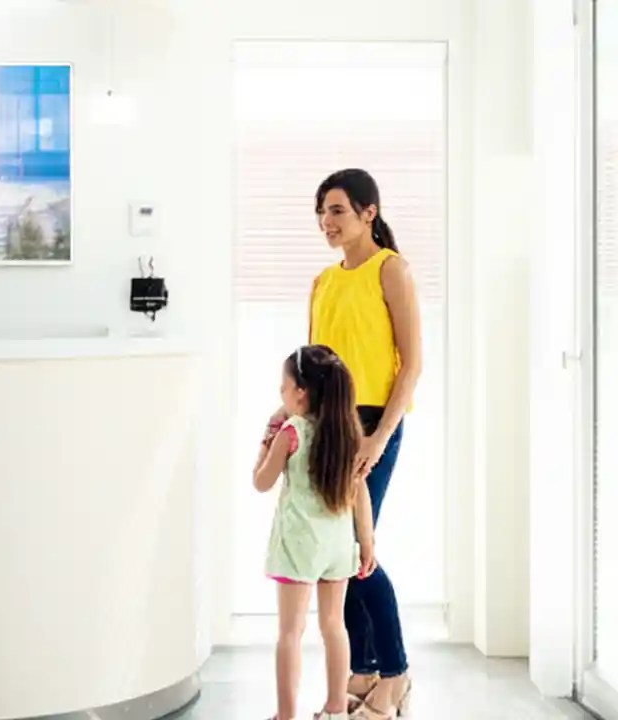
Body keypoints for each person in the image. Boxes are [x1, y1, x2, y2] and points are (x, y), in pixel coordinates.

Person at [301, 168, 421, 718]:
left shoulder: (389, 270)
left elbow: (411, 365)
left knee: (354, 549)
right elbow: (313, 367)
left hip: (373, 423)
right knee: (336, 551)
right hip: (328, 426)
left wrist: (379, 436)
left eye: (338, 211)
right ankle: (366, 667)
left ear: (368, 212)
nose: (327, 222)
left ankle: (394, 673)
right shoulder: (323, 283)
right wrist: (287, 418)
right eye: (322, 212)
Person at [255, 345, 376, 720]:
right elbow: (361, 493)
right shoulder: (349, 433)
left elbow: (261, 482)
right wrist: (367, 543)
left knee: (291, 632)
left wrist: (267, 434)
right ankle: (336, 708)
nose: (281, 393)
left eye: (284, 386)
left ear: (301, 393)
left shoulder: (291, 433)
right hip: (339, 546)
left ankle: (286, 715)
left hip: (299, 546)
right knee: (333, 625)